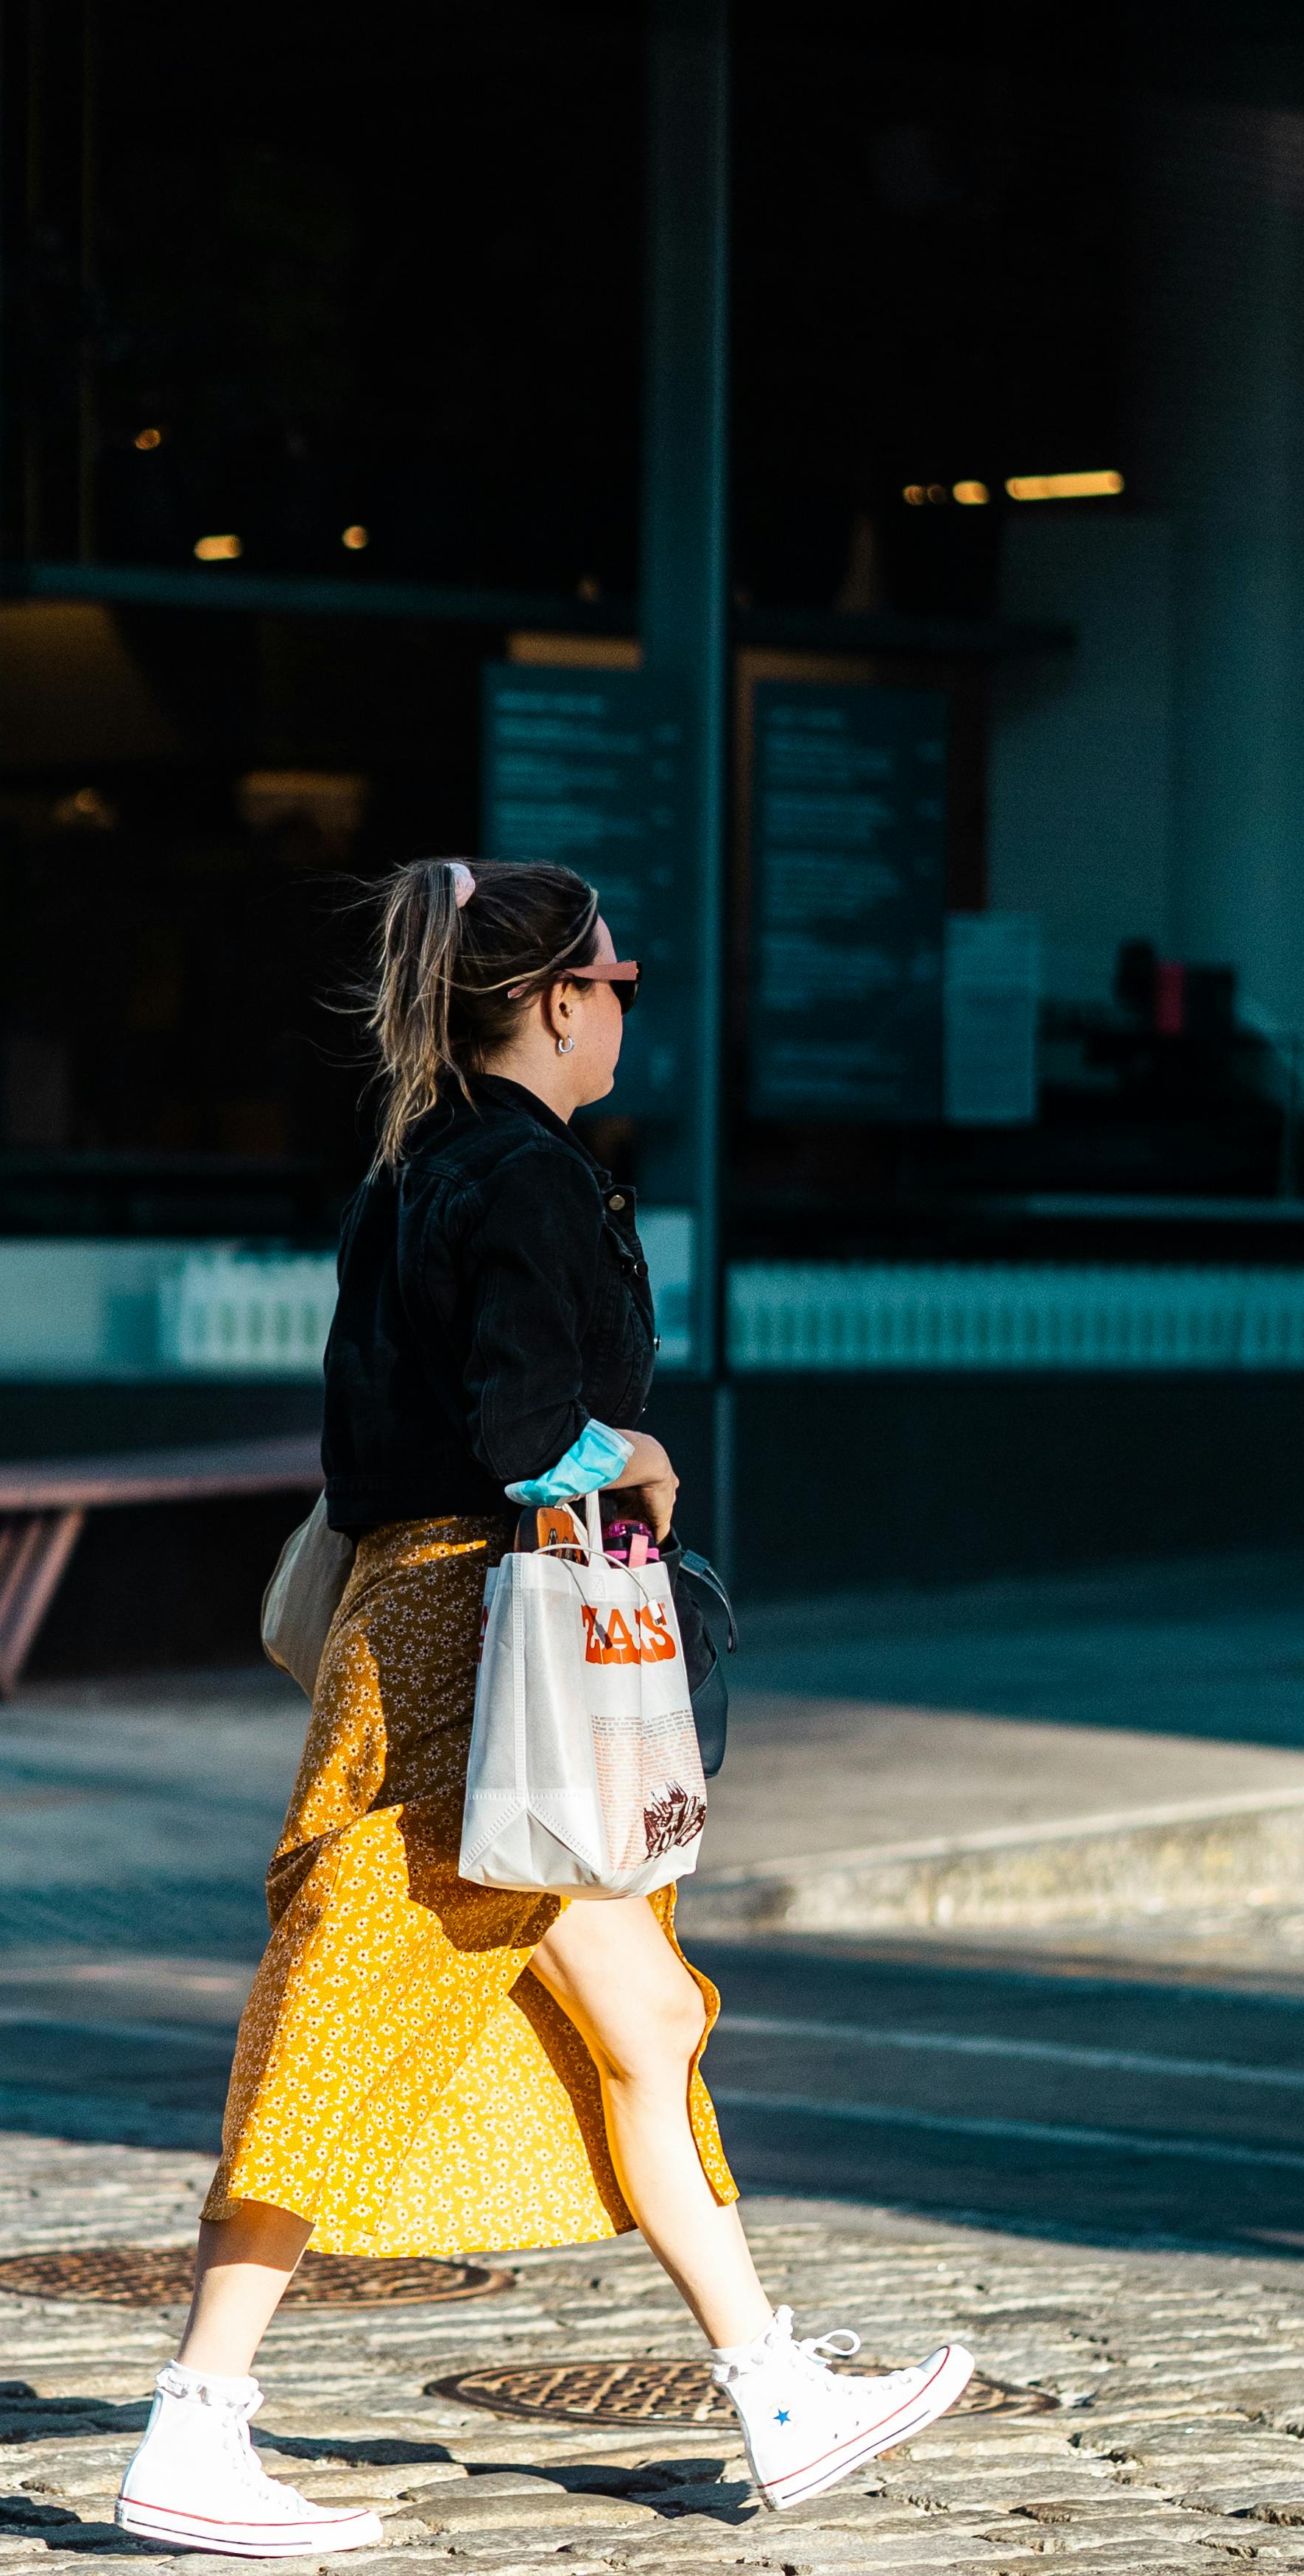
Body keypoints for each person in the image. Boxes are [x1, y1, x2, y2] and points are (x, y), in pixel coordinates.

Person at [117, 857, 973, 2555]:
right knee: (341, 2017)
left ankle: (771, 2389)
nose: (625, 1010)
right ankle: (192, 2431)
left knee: (644, 2026)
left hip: (436, 1638)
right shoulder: (525, 1178)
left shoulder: (412, 1171)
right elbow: (527, 1438)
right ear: (554, 999)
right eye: (619, 982)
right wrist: (638, 1456)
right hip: (482, 1660)